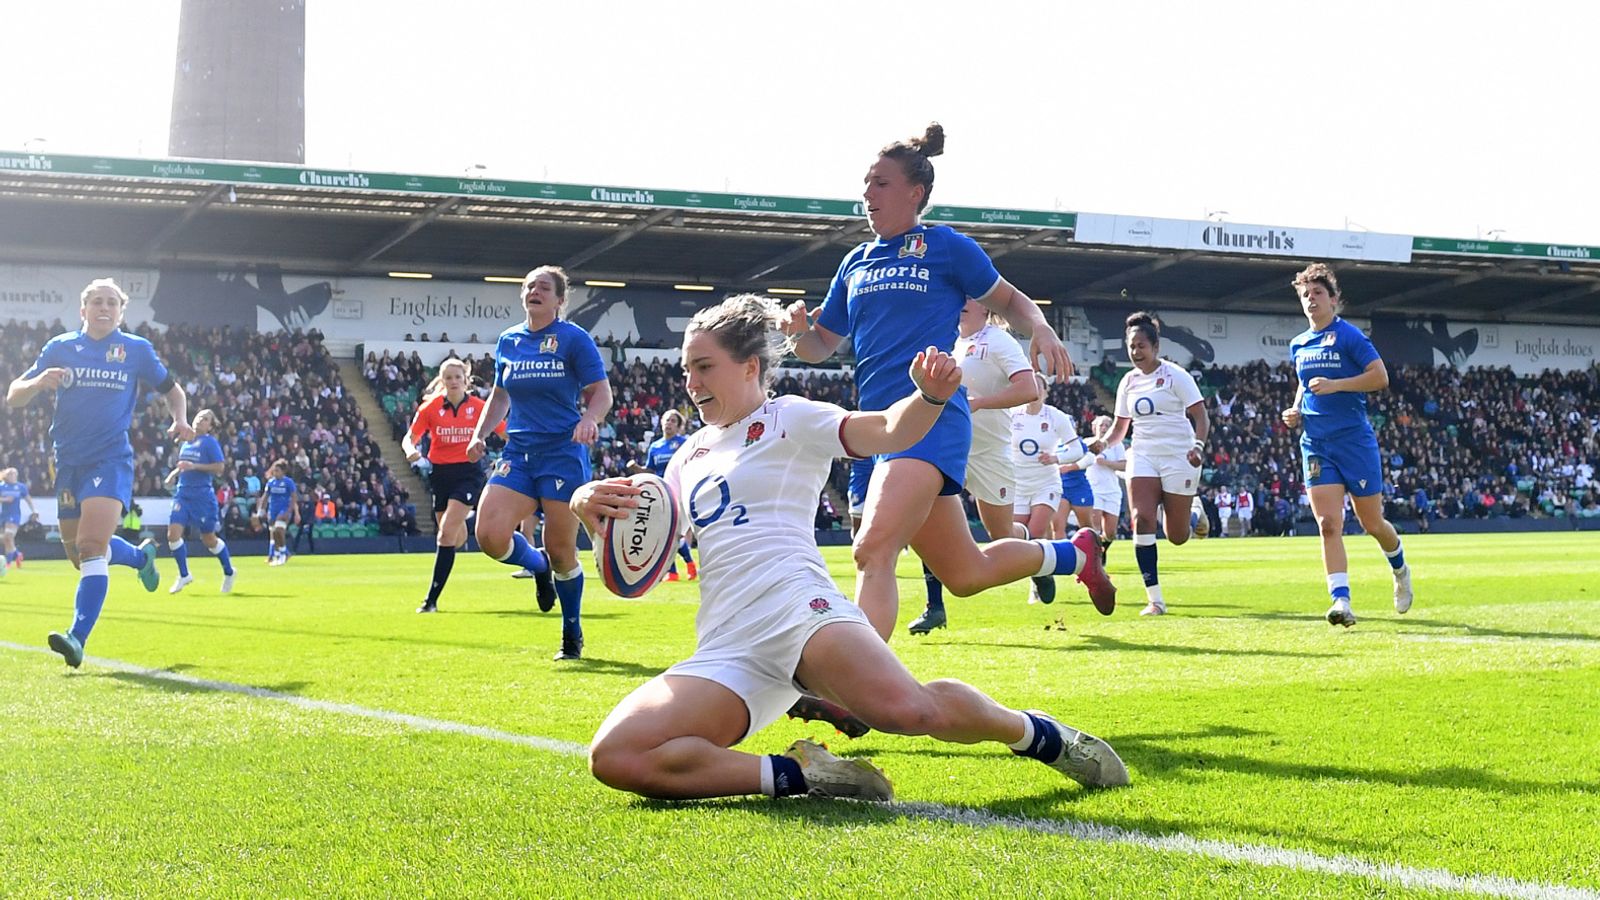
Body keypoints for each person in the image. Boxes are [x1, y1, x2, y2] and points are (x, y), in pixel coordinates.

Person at [575, 294, 1129, 803]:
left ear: (749, 367)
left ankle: (1039, 734)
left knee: (906, 711)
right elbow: (641, 555)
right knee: (618, 757)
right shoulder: (685, 456)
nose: (691, 382)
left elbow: (887, 430)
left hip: (798, 612)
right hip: (727, 641)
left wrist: (930, 396)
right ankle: (806, 773)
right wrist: (587, 503)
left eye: (703, 367)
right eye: (685, 369)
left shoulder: (788, 417)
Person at [780, 122, 1111, 644]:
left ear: (916, 194)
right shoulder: (855, 262)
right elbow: (822, 345)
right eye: (866, 183)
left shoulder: (947, 248)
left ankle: (858, 688)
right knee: (964, 574)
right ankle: (1075, 553)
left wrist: (1042, 328)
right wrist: (799, 334)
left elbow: (1008, 299)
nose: (867, 194)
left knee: (872, 548)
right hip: (880, 429)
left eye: (880, 183)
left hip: (932, 417)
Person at [6, 277, 192, 668]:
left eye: (111, 302)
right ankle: (141, 559)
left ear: (121, 312)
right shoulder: (60, 347)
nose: (104, 308)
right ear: (83, 309)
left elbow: (174, 390)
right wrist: (39, 382)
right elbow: (14, 396)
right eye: (96, 302)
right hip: (68, 462)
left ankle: (77, 638)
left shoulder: (135, 350)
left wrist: (180, 419)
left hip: (110, 459)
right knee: (80, 555)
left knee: (91, 548)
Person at [466, 265, 612, 660]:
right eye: (530, 285)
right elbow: (499, 396)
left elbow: (601, 392)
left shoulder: (573, 339)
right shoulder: (509, 341)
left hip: (563, 453)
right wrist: (480, 434)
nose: (535, 291)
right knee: (489, 535)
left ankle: (571, 631)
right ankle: (537, 566)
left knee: (562, 547)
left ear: (560, 300)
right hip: (519, 452)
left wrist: (589, 419)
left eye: (544, 287)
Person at [1280, 264, 1413, 627]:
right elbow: (1305, 385)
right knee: (1327, 523)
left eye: (1318, 294)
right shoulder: (1299, 344)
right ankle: (1341, 601)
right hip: (1317, 443)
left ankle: (1400, 569)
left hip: (1354, 440)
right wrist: (1296, 411)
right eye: (1305, 295)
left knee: (1372, 522)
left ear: (1334, 300)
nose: (1311, 300)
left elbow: (1380, 377)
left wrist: (1337, 385)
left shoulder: (1349, 336)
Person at [906, 301, 1040, 634]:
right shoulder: (949, 341)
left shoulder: (998, 340)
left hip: (990, 450)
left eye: (969, 298)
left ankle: (1041, 557)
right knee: (926, 517)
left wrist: (980, 403)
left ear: (986, 306)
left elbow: (1028, 389)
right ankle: (934, 606)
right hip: (951, 446)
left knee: (1002, 534)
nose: (961, 303)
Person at [1088, 312, 1210, 617]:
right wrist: (1104, 443)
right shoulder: (1127, 381)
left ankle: (1195, 511)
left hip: (1179, 455)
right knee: (1142, 519)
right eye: (1131, 346)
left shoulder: (1175, 375)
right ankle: (1155, 600)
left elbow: (1201, 416)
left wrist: (1197, 446)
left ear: (1155, 346)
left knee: (1177, 536)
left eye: (1141, 345)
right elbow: (1120, 427)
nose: (1135, 351)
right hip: (1142, 454)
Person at [403, 358, 503, 613]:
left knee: (445, 532)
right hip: (440, 475)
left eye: (458, 377)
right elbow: (411, 438)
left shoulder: (480, 407)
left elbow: (505, 432)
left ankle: (431, 600)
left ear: (465, 380)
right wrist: (410, 450)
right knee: (453, 537)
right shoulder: (431, 408)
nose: (453, 382)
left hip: (468, 473)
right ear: (442, 380)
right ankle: (471, 522)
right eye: (448, 378)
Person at [1010, 375, 1085, 606]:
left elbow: (1077, 449)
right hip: (1018, 484)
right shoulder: (1012, 414)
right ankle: (1042, 573)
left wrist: (1055, 457)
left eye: (1038, 387)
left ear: (1045, 392)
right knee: (1014, 537)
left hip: (1046, 483)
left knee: (1034, 533)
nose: (1033, 391)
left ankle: (1039, 581)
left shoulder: (1055, 416)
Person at [162, 409, 237, 594]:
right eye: (198, 417)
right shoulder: (187, 442)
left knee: (208, 539)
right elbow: (184, 465)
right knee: (172, 534)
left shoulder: (210, 443)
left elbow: (219, 467)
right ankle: (184, 575)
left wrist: (194, 466)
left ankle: (229, 571)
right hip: (183, 494)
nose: (199, 420)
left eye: (205, 419)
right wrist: (173, 474)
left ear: (210, 426)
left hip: (202, 497)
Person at [628, 409, 697, 582]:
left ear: (679, 425)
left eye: (673, 421)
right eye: (666, 420)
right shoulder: (655, 446)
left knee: (672, 533)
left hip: (679, 492)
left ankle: (686, 565)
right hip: (659, 494)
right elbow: (650, 469)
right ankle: (673, 571)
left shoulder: (684, 443)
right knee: (663, 534)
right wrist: (636, 468)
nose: (669, 423)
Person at [1081, 415, 1127, 562]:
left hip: (1112, 490)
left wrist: (1106, 463)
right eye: (1101, 425)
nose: (1104, 428)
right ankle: (1095, 558)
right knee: (1095, 527)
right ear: (1094, 427)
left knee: (1111, 532)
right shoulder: (1087, 443)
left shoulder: (1116, 445)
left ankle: (1103, 549)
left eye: (1107, 425)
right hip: (1094, 489)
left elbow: (1124, 465)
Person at [256, 459, 299, 565]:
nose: (275, 473)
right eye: (274, 471)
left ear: (283, 472)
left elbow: (294, 498)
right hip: (272, 510)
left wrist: (289, 511)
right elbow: (265, 497)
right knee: (273, 533)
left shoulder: (288, 482)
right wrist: (261, 510)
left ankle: (282, 554)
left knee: (278, 531)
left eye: (277, 471)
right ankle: (278, 554)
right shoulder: (271, 482)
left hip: (283, 509)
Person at [0, 467, 38, 574]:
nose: (12, 476)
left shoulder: (20, 487)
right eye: (10, 474)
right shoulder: (2, 486)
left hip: (14, 515)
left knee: (8, 536)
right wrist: (4, 499)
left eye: (14, 474)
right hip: (3, 515)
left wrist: (34, 510)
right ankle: (17, 554)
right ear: (6, 476)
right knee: (6, 539)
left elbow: (28, 499)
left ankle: (7, 563)